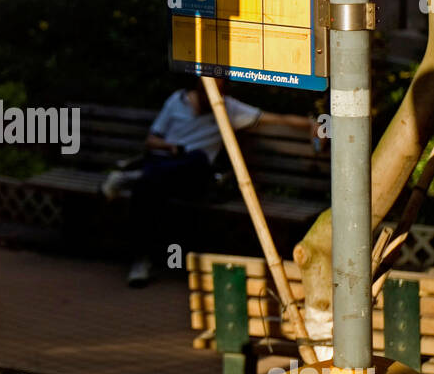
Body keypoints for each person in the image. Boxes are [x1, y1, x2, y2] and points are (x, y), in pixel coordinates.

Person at [110, 80, 316, 287]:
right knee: (149, 191)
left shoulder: (227, 107)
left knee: (194, 160)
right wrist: (171, 147)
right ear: (199, 89)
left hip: (193, 177)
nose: (215, 97)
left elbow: (272, 119)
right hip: (166, 164)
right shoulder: (176, 101)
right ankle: (141, 261)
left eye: (221, 91)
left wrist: (312, 122)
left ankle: (130, 179)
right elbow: (151, 141)